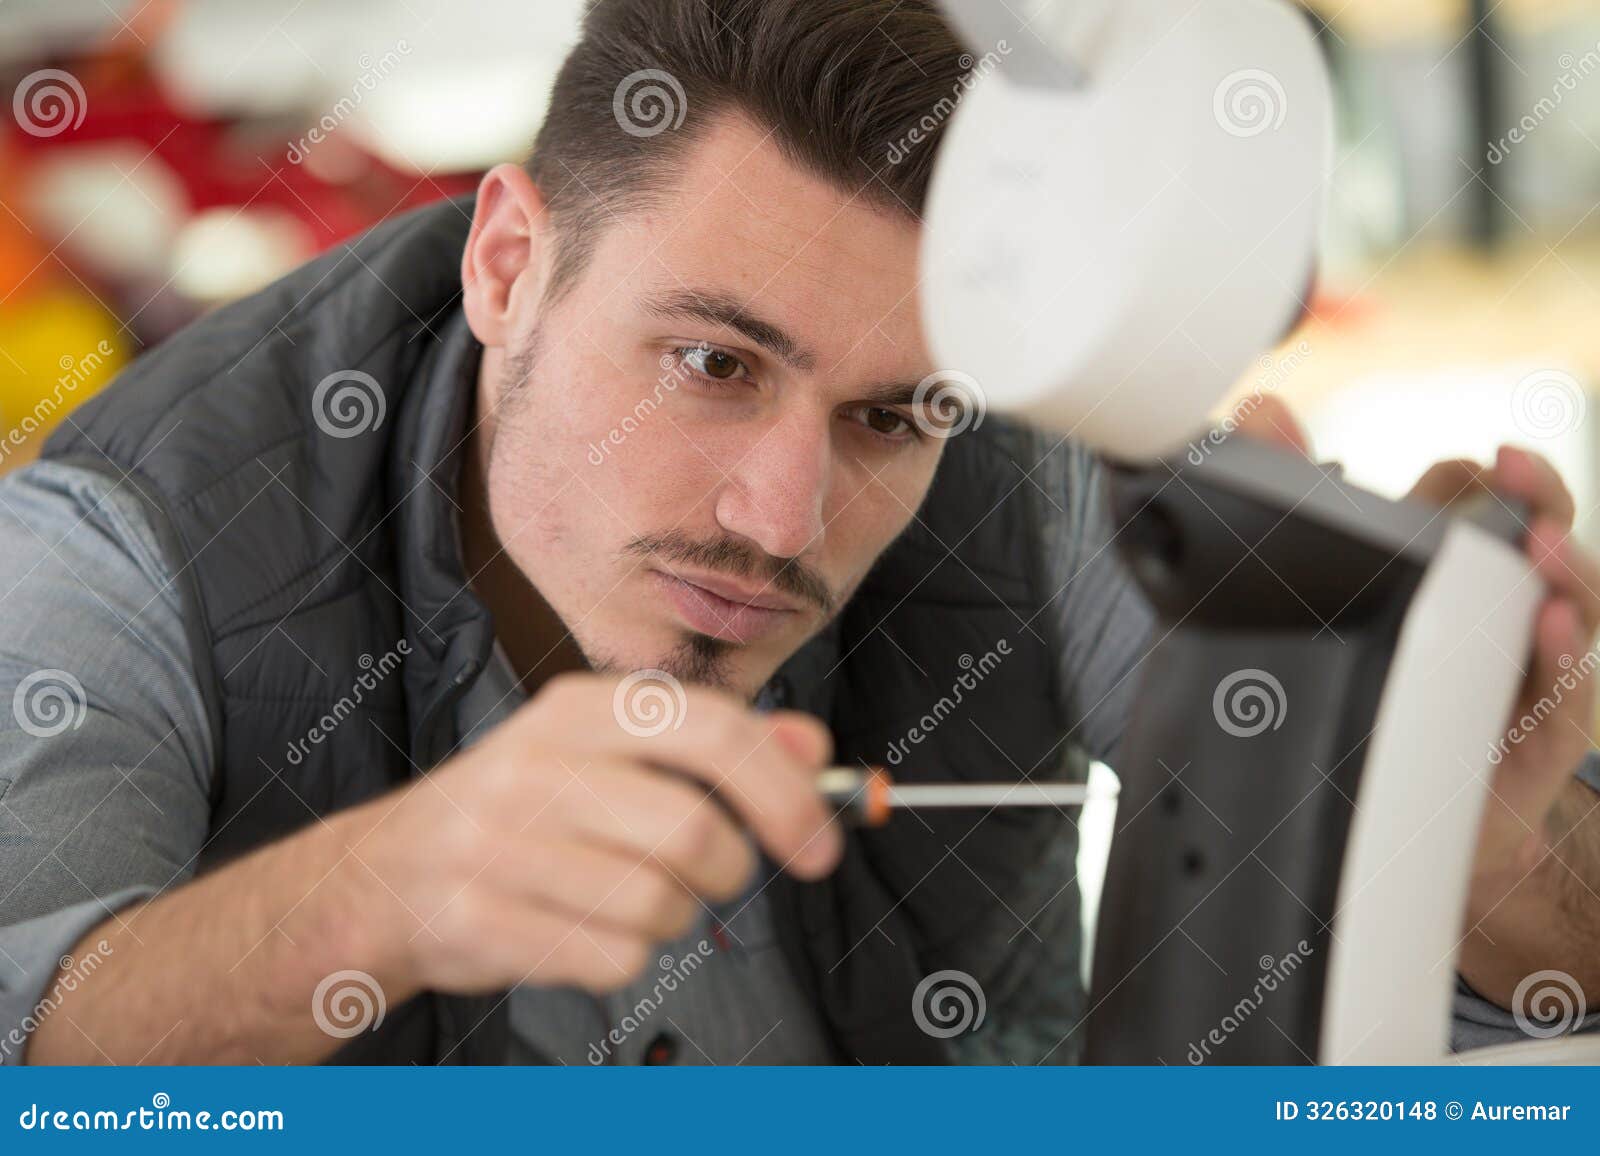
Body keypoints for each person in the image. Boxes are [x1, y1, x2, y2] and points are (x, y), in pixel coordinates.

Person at [1, 0, 1596, 1066]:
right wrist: (380, 894)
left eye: (889, 417)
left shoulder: (1022, 446)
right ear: (508, 266)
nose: (783, 518)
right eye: (712, 365)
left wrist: (1461, 839)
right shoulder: (122, 550)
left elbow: (1502, 937)